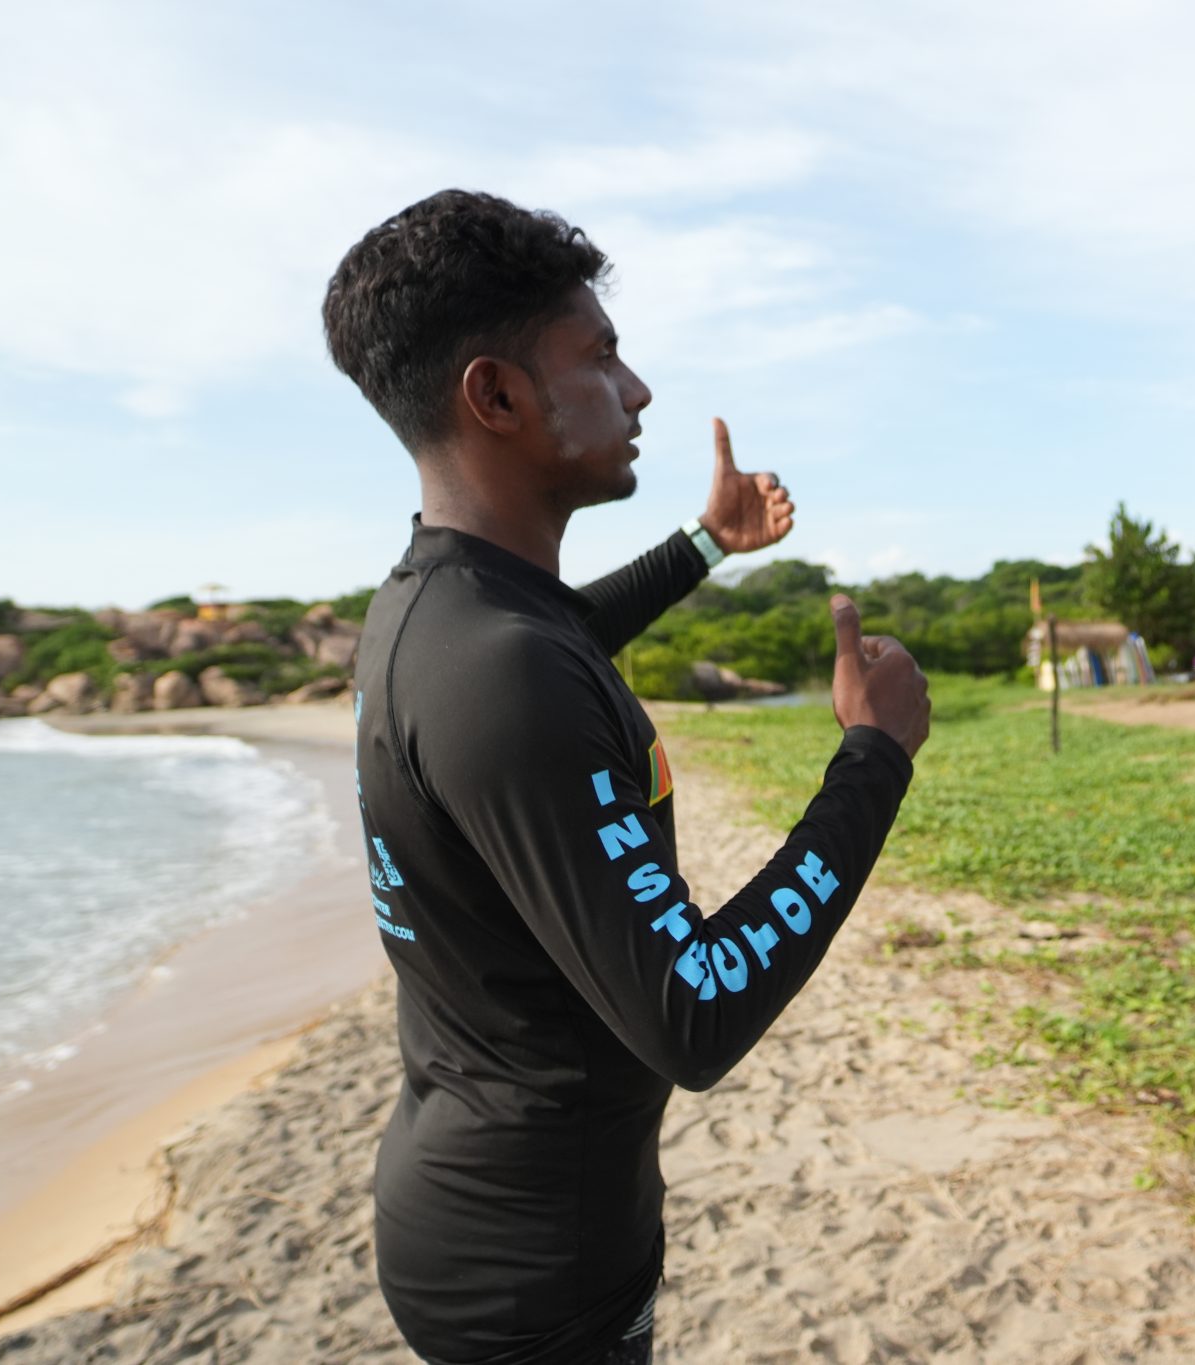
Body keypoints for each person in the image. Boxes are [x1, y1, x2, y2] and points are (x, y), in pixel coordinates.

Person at [322, 189, 930, 1365]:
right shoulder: (499, 670)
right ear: (494, 395)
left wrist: (707, 543)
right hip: (534, 1282)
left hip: (489, 1214)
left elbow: (565, 640)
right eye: (599, 354)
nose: (637, 388)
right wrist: (871, 760)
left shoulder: (442, 613)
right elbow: (690, 1011)